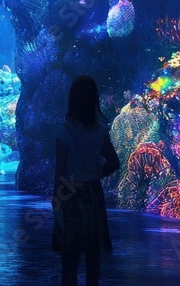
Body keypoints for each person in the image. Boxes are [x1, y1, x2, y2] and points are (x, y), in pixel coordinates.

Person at [52, 75, 120, 286]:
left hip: (70, 195)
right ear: (94, 100)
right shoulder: (100, 132)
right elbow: (114, 162)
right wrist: (97, 173)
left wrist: (56, 200)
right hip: (93, 195)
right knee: (93, 256)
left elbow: (60, 172)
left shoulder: (63, 131)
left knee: (69, 257)